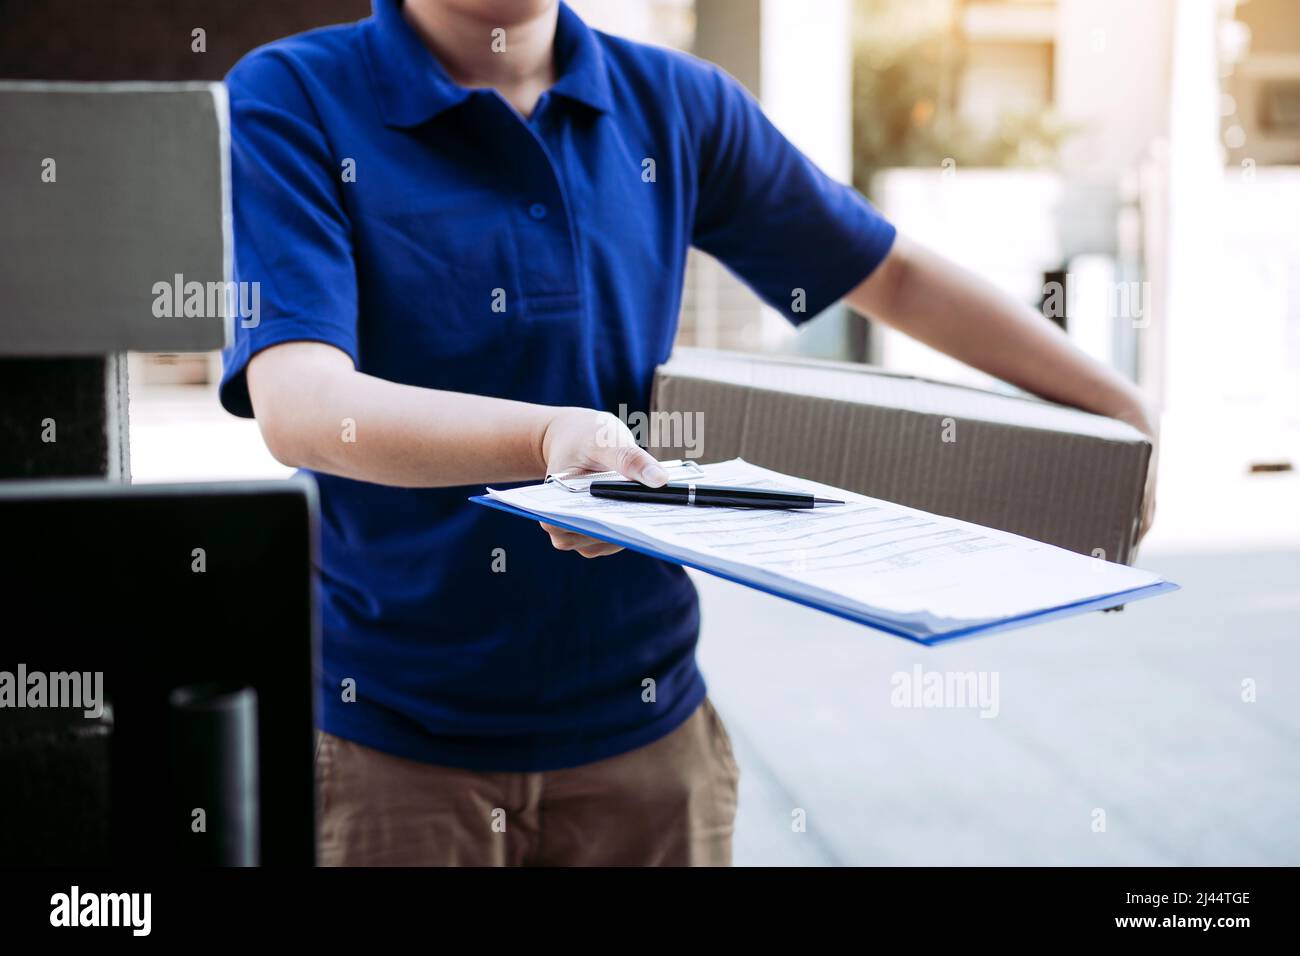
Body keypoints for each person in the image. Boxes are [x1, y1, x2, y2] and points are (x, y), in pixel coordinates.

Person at [219, 0, 1158, 866]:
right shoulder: (296, 93)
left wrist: (1120, 408)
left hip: (648, 742)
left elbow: (890, 274)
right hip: (393, 748)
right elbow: (302, 404)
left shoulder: (673, 103)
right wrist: (546, 439)